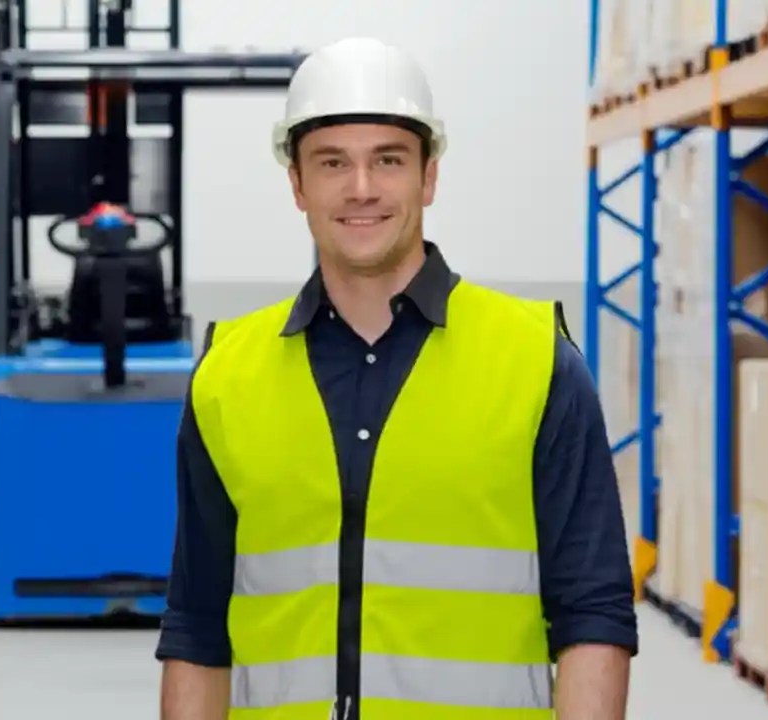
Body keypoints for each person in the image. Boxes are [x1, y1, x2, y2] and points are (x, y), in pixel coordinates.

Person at [155, 36, 637, 720]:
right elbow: (197, 627)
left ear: (428, 176)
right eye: (332, 163)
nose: (361, 189)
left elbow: (593, 614)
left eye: (388, 159)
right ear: (296, 183)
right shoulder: (227, 375)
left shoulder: (536, 362)